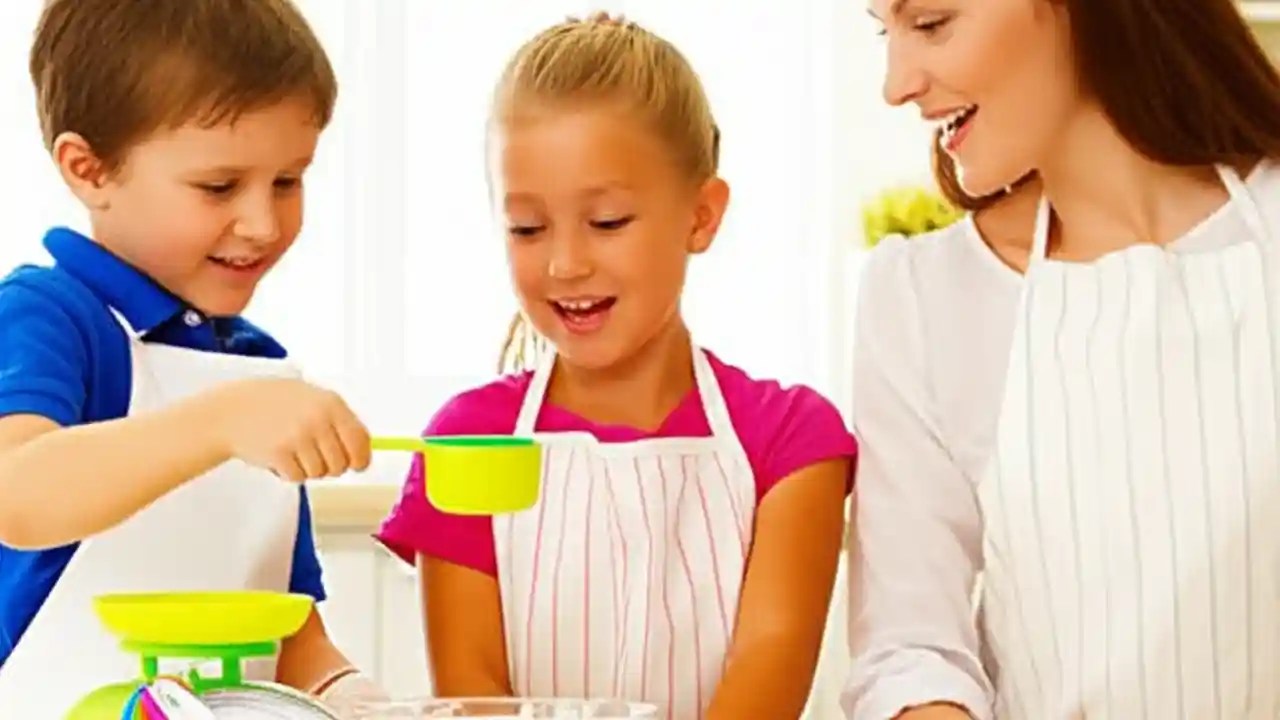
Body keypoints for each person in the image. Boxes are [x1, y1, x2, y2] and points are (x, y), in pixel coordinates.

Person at [376, 13, 857, 720]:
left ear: (701, 215)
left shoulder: (791, 442)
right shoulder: (470, 442)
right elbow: (475, 697)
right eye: (527, 228)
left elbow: (767, 673)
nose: (565, 264)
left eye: (606, 222)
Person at [846, 0, 1280, 717]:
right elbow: (911, 652)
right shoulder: (922, 296)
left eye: (931, 23)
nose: (896, 85)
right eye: (881, 31)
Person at [0, 0, 387, 716]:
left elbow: (288, 631)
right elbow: (16, 496)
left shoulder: (257, 371)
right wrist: (221, 422)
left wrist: (355, 699)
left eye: (288, 180)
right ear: (89, 170)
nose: (263, 223)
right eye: (219, 187)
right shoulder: (47, 316)